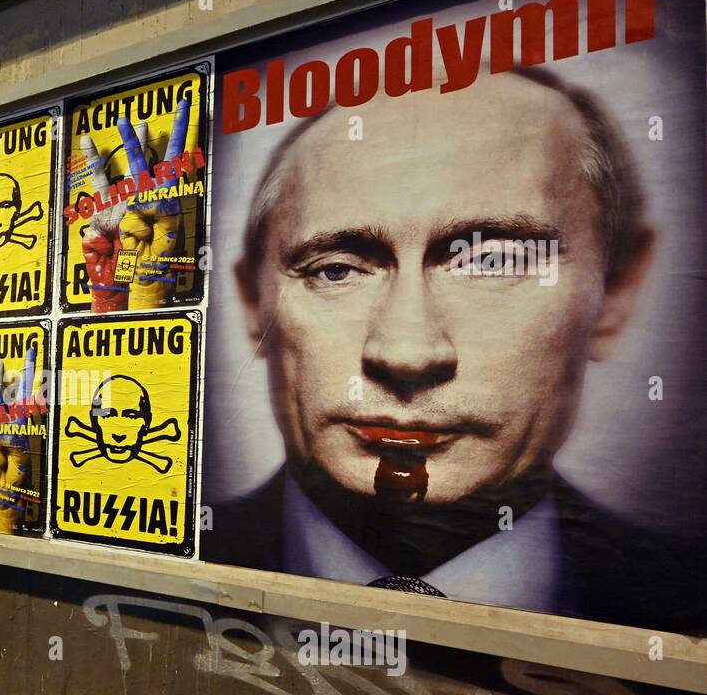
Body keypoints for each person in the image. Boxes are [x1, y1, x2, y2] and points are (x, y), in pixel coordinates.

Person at [205, 67, 704, 633]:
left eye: (494, 261)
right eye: (336, 270)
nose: (407, 353)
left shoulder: (684, 610)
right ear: (253, 302)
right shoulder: (171, 567)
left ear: (616, 291)